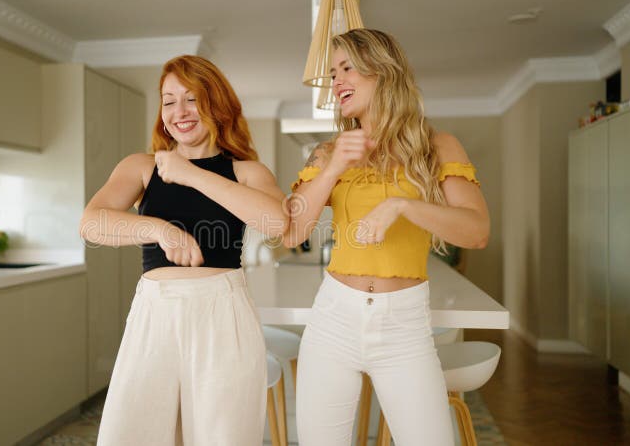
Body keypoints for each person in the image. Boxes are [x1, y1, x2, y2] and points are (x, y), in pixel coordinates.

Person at [284, 28, 490, 446]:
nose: (337, 81)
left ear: (383, 71)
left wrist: (403, 206)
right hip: (333, 321)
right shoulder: (328, 152)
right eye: (333, 73)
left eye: (347, 68)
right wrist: (333, 166)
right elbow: (292, 231)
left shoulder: (437, 146)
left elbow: (477, 231)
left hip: (405, 327)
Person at [80, 55, 287, 446]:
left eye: (192, 99)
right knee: (134, 433)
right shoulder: (142, 167)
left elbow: (279, 224)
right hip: (155, 313)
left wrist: (192, 174)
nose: (179, 112)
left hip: (222, 315)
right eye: (168, 100)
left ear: (217, 104)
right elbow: (91, 222)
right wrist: (161, 231)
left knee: (221, 436)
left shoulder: (246, 172)